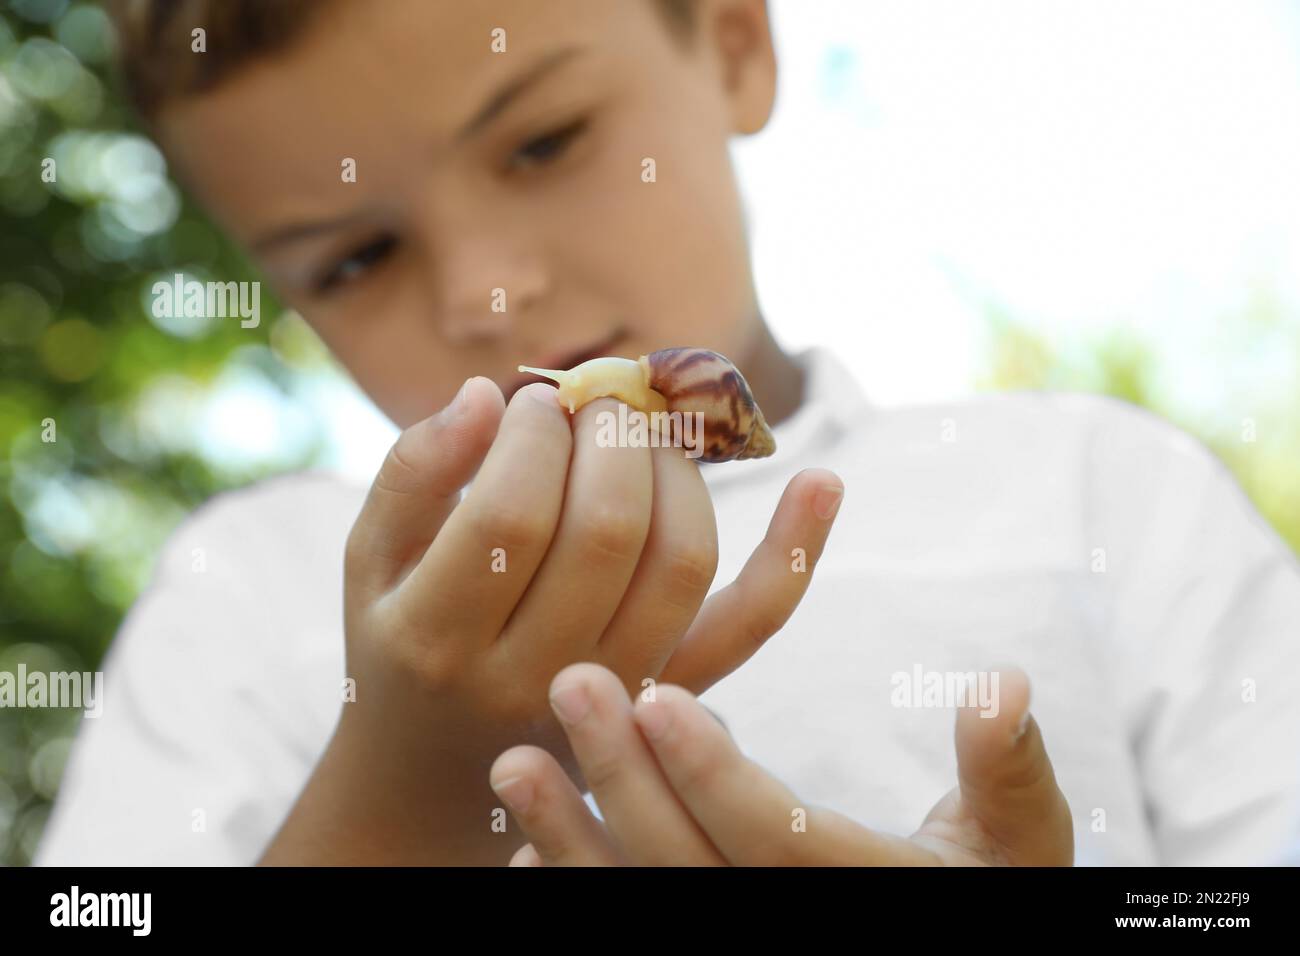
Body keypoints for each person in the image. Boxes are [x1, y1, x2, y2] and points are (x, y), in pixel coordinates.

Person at [36, 0, 1300, 865]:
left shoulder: (1100, 492)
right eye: (357, 256)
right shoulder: (251, 591)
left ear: (735, 43)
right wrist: (411, 778)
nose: (485, 288)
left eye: (543, 141)